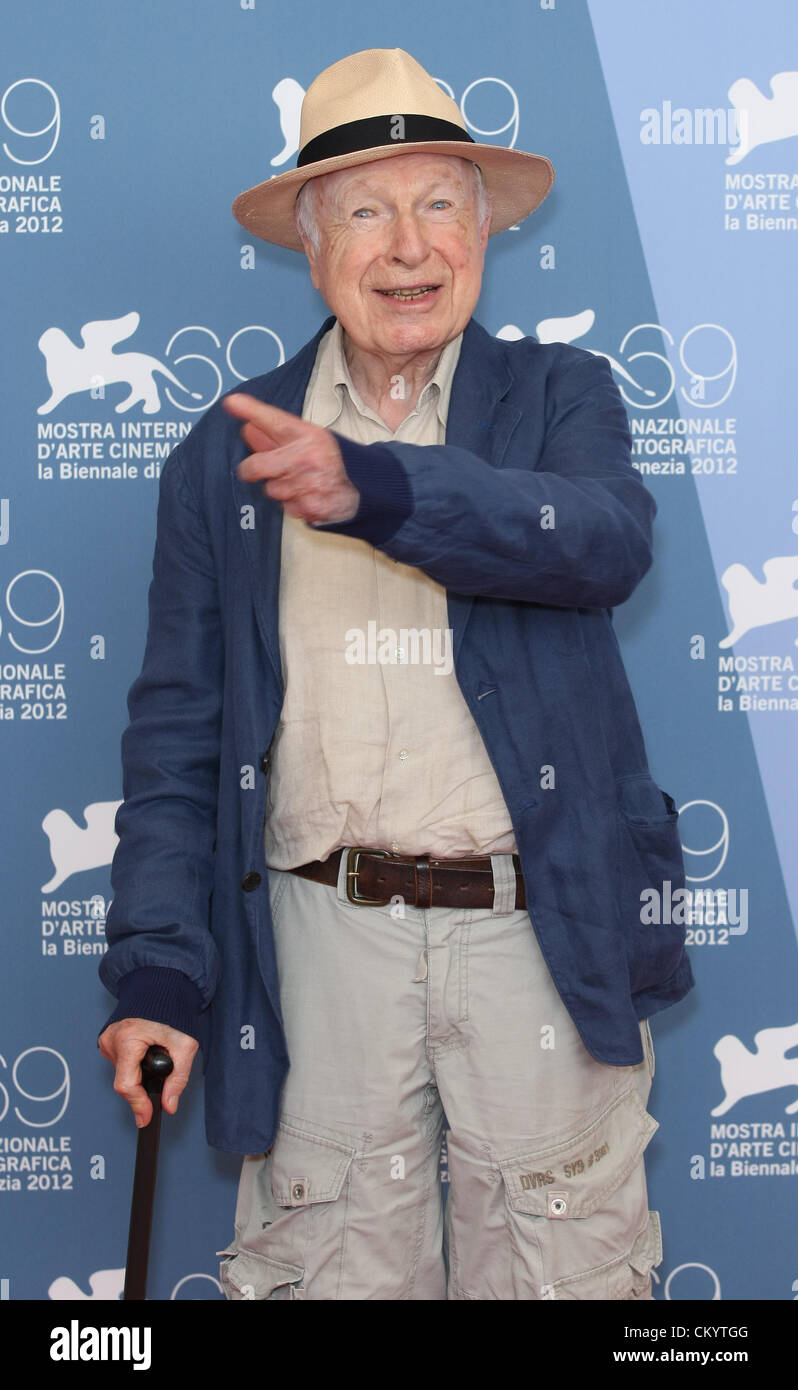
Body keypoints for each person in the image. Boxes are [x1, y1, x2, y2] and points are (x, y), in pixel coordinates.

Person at [97, 47, 694, 1301]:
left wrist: (374, 487)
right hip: (318, 949)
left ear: (483, 232)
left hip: (540, 934)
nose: (408, 245)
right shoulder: (227, 453)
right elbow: (178, 737)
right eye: (367, 210)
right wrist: (159, 970)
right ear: (310, 249)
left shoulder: (560, 397)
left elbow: (600, 543)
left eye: (439, 205)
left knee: (566, 1275)